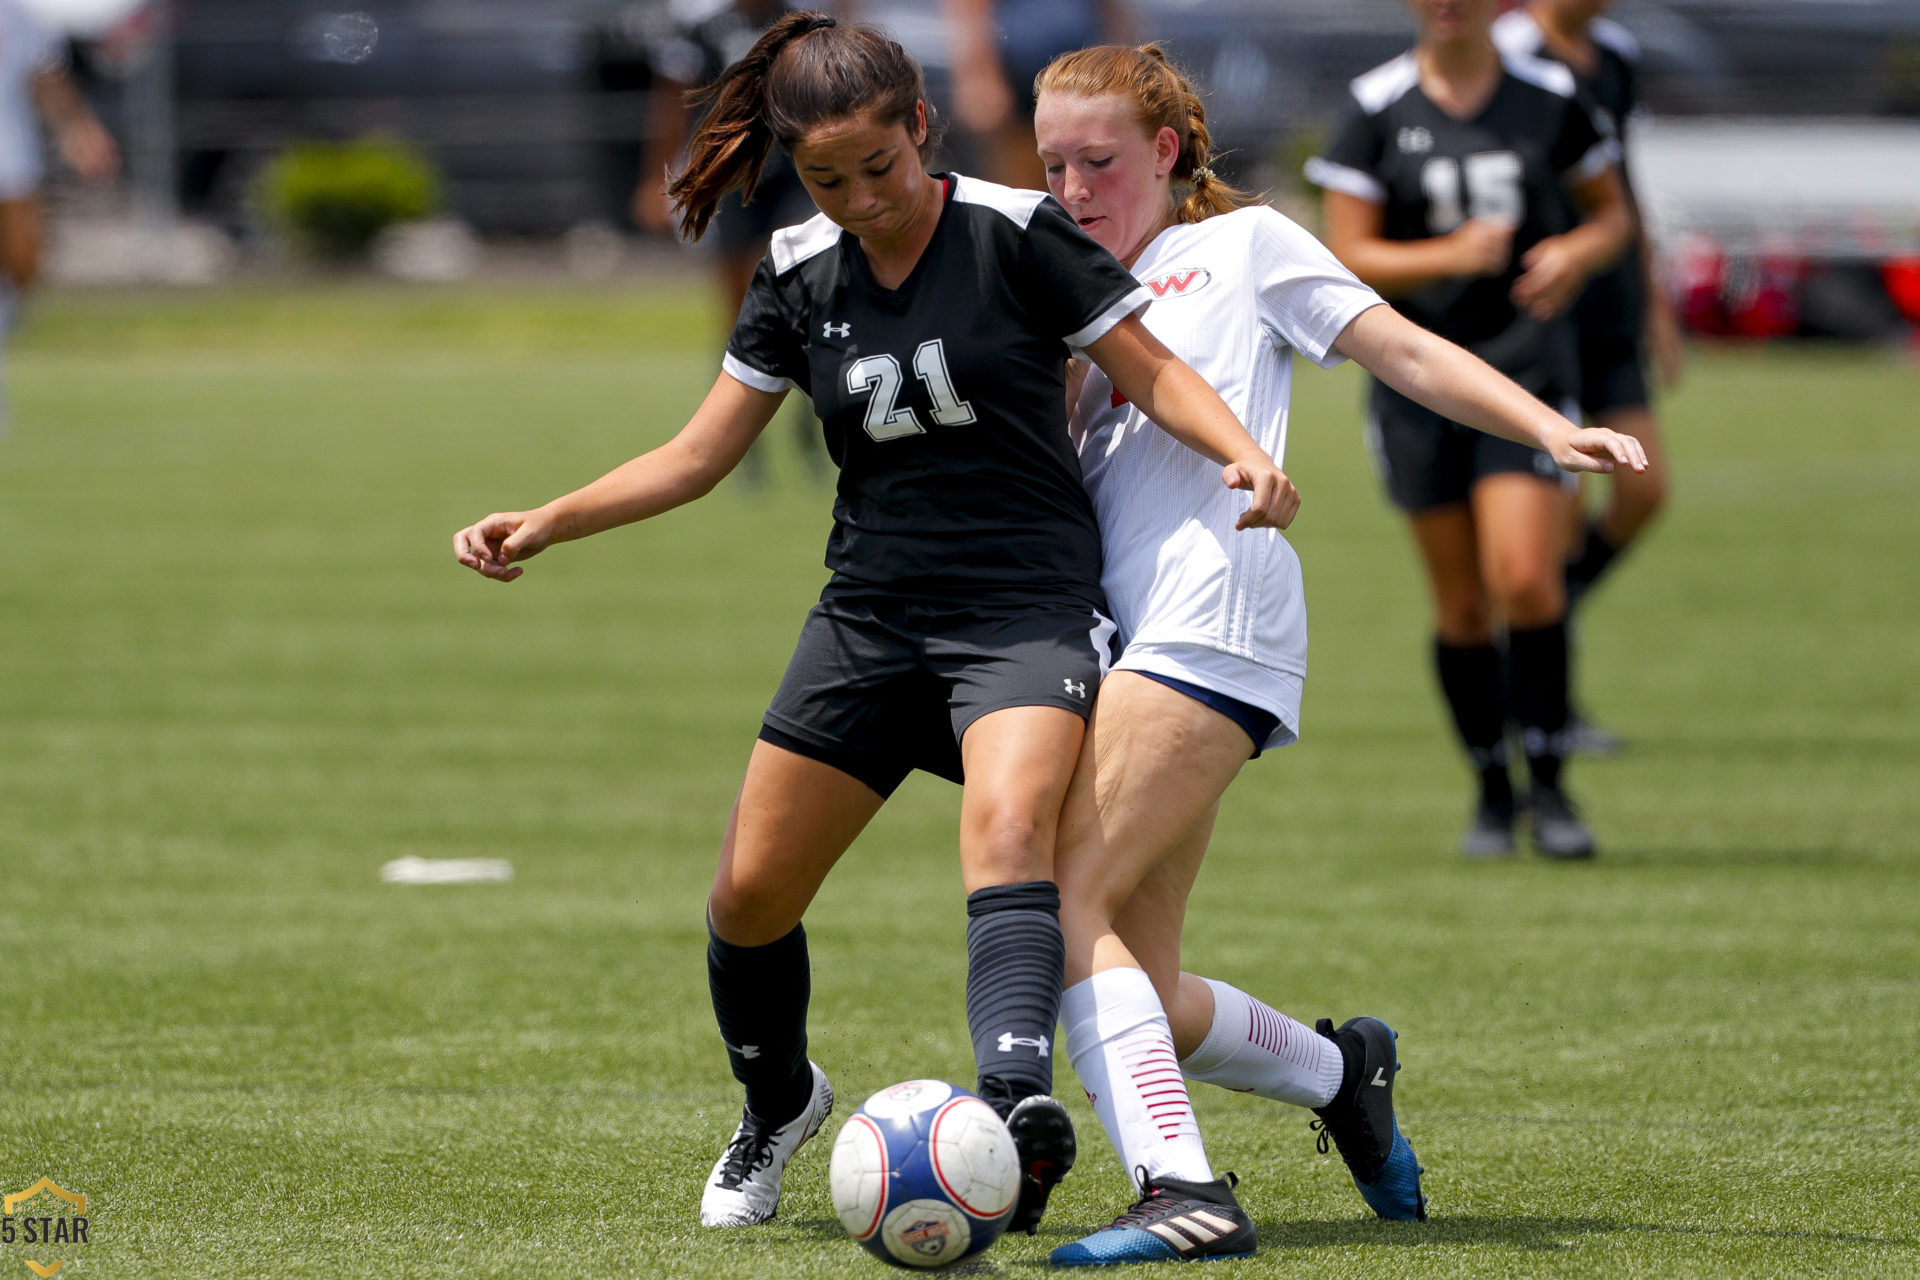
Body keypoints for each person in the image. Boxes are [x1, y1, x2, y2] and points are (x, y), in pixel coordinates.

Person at [452, 11, 1297, 1236]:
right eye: (826, 177)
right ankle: (780, 1100)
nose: (861, 199)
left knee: (1007, 833)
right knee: (748, 896)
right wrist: (547, 518)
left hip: (1024, 612)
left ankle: (1012, 1116)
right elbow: (699, 455)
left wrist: (1242, 458)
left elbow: (1154, 368)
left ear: (923, 128)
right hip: (869, 621)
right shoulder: (796, 269)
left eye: (880, 169)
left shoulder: (1016, 232)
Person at [1029, 43, 1646, 1264]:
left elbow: (1398, 346)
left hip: (1218, 612)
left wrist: (1546, 427)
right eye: (1052, 164)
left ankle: (1181, 1191)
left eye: (1098, 160)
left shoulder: (1249, 244)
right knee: (1138, 976)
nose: (1073, 186)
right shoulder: (1063, 276)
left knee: (1059, 905)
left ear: (1166, 150)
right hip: (1116, 633)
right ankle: (1341, 1070)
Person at [1306, 0, 1632, 859]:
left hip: (1526, 367)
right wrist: (1448, 257)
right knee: (1459, 602)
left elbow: (1611, 212)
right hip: (1416, 379)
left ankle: (1553, 791)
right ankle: (1492, 794)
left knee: (1526, 577)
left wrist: (1576, 251)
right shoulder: (1378, 105)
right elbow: (1343, 253)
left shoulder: (1549, 95)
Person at [1493, 0, 1678, 754]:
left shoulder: (1617, 54)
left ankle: (1537, 637)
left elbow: (1619, 187)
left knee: (1643, 489)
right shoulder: (1507, 51)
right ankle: (1549, 709)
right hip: (1542, 313)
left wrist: (1655, 299)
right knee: (1556, 519)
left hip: (1610, 305)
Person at [634, 0, 830, 486]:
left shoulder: (800, 23)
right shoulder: (701, 29)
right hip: (734, 180)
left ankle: (817, 430)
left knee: (813, 305)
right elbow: (672, 103)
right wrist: (656, 179)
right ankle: (744, 449)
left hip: (794, 177)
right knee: (742, 314)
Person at [0, 0, 118, 423]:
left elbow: (45, 76)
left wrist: (79, 131)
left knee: (22, 268)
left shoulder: (18, 13)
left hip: (12, 163)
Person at [942, 0, 1132, 189]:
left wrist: (1128, 62)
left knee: (1090, 181)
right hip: (1019, 81)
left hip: (1087, 75)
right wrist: (979, 77)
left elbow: (1112, 9)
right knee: (1024, 192)